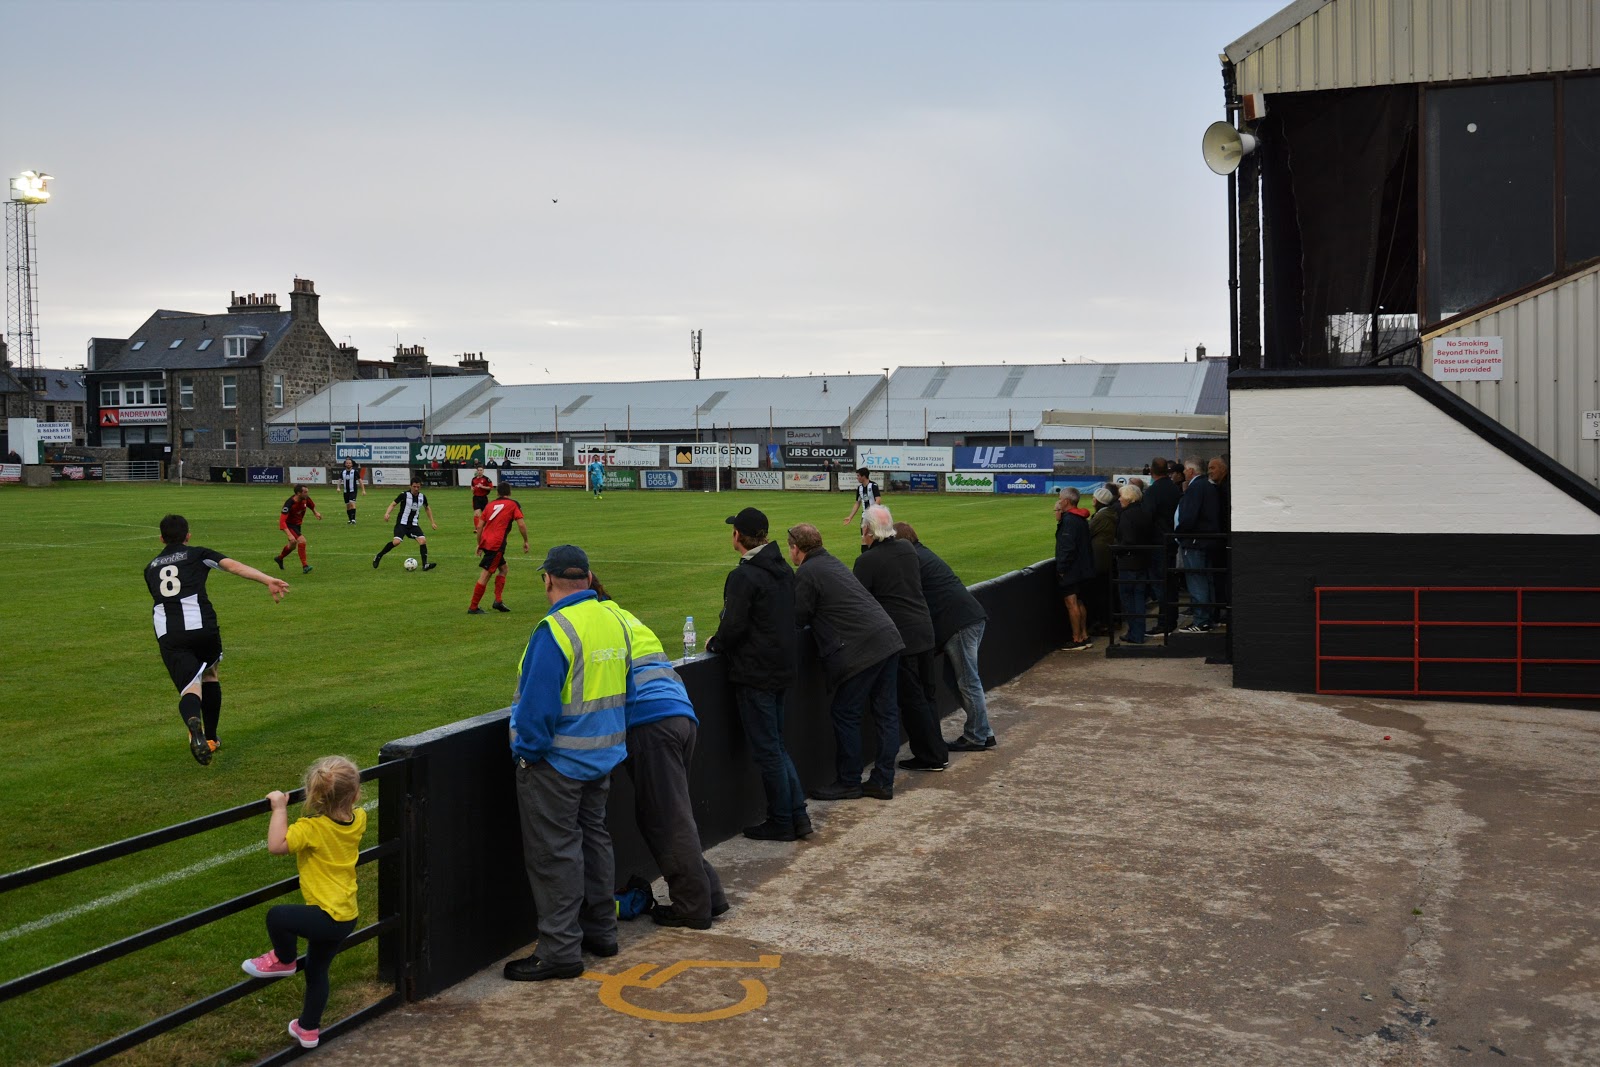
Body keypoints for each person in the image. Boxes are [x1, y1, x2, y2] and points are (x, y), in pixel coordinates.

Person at [503, 545, 630, 982]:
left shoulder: (554, 628)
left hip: (557, 763)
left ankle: (559, 950)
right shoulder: (614, 618)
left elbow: (537, 708)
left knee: (555, 855)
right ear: (589, 577)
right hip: (603, 755)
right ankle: (602, 932)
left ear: (548, 580)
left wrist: (528, 754)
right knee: (595, 843)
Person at [588, 574, 730, 928]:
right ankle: (708, 894)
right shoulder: (627, 617)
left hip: (651, 724)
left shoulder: (597, 625)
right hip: (680, 716)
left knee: (665, 818)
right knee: (673, 814)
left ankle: (692, 906)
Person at [241, 756, 366, 1050]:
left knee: (277, 916)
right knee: (317, 970)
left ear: (314, 795)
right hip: (347, 916)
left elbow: (276, 845)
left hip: (326, 915)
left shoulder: (312, 829)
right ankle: (308, 1029)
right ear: (356, 794)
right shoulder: (359, 819)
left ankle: (283, 959)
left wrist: (280, 808)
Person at [145, 514, 288, 764]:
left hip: (168, 630)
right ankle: (210, 737)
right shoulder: (197, 553)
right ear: (188, 536)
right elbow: (232, 566)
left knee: (190, 687)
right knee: (210, 674)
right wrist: (267, 579)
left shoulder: (150, 568)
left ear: (161, 538)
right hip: (201, 624)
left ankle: (193, 723)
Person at [706, 507, 809, 841]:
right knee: (777, 747)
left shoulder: (745, 575)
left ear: (738, 536)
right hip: (781, 669)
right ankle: (797, 815)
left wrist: (716, 643)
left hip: (756, 674)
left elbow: (733, 626)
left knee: (769, 751)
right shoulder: (782, 568)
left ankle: (783, 819)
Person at [788, 523, 905, 801]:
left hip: (863, 648)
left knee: (845, 713)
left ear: (796, 548)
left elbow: (797, 616)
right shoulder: (831, 562)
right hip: (888, 638)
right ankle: (883, 780)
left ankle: (850, 780)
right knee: (886, 713)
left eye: (790, 547)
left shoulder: (808, 571)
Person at [854, 505, 947, 773]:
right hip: (923, 631)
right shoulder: (907, 550)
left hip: (903, 638)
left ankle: (930, 755)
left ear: (868, 531)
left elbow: (861, 595)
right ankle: (935, 751)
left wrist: (865, 547)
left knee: (912, 699)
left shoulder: (868, 560)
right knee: (927, 695)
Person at [893, 521, 994, 752]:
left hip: (960, 624)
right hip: (965, 620)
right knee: (957, 679)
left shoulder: (914, 559)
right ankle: (982, 731)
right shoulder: (922, 554)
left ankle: (978, 736)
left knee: (967, 682)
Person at [1175, 458, 1223, 633]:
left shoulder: (1196, 487)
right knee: (1206, 579)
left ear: (1191, 471)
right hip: (1208, 541)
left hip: (1195, 541)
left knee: (1197, 580)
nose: (1183, 473)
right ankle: (1209, 617)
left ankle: (1201, 620)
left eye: (1186, 470)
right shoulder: (1209, 486)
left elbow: (1188, 516)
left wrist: (1179, 533)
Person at [468, 483, 530, 615]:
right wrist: (525, 541)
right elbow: (521, 524)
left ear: (497, 493)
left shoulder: (489, 505)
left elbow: (479, 526)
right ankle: (473, 607)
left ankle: (498, 601)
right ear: (510, 492)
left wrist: (479, 544)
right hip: (496, 544)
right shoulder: (513, 504)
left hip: (487, 542)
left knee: (504, 569)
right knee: (486, 575)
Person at [1143, 457, 1183, 636]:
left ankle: (1164, 623)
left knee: (1161, 585)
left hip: (1158, 543)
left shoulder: (1153, 491)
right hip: (1172, 541)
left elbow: (1147, 517)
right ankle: (1170, 620)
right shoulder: (1174, 489)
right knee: (1170, 584)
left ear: (1151, 471)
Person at [1113, 483, 1156, 643]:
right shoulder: (1145, 513)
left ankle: (1135, 633)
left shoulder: (1127, 515)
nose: (1119, 499)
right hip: (1143, 561)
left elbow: (1128, 540)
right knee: (1139, 598)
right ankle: (1138, 633)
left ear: (1129, 498)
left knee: (1129, 599)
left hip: (1129, 563)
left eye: (1121, 496)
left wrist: (1116, 550)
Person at [1054, 492, 1096, 650]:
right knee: (1079, 602)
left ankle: (1077, 639)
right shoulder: (1080, 519)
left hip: (1072, 570)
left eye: (1059, 500)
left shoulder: (1070, 521)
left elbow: (1067, 547)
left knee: (1071, 603)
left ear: (1065, 501)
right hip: (1083, 568)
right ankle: (1084, 635)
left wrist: (1062, 569)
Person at [373, 479, 438, 570]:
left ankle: (425, 565)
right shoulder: (404, 495)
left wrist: (432, 522)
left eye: (418, 487)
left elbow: (427, 508)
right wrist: (387, 513)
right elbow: (393, 504)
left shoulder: (422, 497)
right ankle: (379, 555)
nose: (416, 489)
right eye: (414, 486)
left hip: (413, 525)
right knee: (396, 542)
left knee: (422, 541)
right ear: (410, 486)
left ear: (420, 486)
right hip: (402, 524)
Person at [1086, 485, 1119, 634]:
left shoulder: (1101, 516)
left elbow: (1088, 532)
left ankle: (1105, 623)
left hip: (1100, 560)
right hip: (1106, 558)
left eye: (1094, 498)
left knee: (1101, 593)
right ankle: (1109, 621)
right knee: (1106, 591)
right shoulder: (1110, 513)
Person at [273, 485, 322, 575]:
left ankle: (279, 558)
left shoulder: (305, 498)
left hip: (297, 525)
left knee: (292, 545)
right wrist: (289, 534)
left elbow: (311, 505)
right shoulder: (289, 503)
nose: (307, 494)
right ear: (298, 493)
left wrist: (315, 512)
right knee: (301, 540)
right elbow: (282, 521)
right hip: (289, 525)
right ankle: (305, 566)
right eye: (305, 492)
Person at [842, 467, 882, 551]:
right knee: (864, 537)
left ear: (864, 476)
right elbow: (857, 503)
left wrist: (872, 512)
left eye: (858, 475)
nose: (857, 477)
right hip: (865, 516)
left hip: (874, 516)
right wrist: (850, 517)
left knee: (874, 537)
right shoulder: (860, 488)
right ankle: (865, 557)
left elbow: (878, 499)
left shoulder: (873, 485)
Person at [338, 459, 365, 525]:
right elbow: (339, 480)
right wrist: (338, 487)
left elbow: (360, 480)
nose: (348, 464)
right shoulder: (343, 472)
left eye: (349, 463)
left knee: (352, 503)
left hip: (353, 491)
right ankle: (350, 519)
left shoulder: (355, 471)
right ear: (345, 464)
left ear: (352, 464)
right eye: (347, 463)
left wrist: (363, 490)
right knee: (348, 506)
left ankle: (353, 519)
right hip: (345, 491)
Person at [470, 465, 494, 530]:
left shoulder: (486, 479)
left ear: (483, 471)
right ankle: (477, 528)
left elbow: (491, 488)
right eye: (478, 470)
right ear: (477, 471)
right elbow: (472, 487)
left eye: (481, 470)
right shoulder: (474, 479)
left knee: (485, 514)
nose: (480, 472)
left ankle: (487, 527)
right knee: (476, 513)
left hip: (484, 498)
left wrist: (482, 487)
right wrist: (472, 489)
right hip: (476, 498)